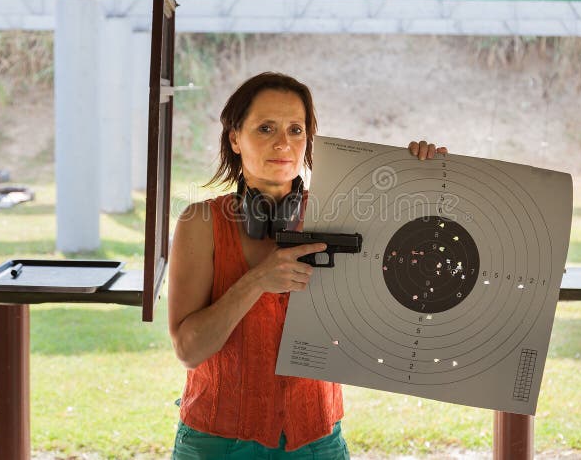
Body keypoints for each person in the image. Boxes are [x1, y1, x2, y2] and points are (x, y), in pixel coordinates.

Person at [168, 72, 448, 459]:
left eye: (296, 130)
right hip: (217, 442)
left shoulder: (342, 214)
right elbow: (188, 350)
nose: (283, 142)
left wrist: (428, 175)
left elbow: (422, 251)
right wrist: (256, 281)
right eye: (265, 128)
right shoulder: (200, 223)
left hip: (317, 441)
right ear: (235, 138)